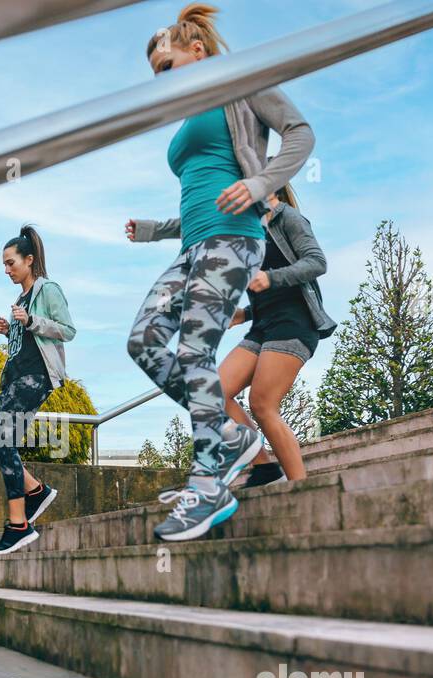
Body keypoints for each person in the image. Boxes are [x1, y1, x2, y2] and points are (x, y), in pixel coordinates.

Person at [126, 2, 314, 542]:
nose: (160, 81)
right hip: (193, 246)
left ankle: (209, 483)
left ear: (198, 52)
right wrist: (157, 230)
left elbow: (300, 132)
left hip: (235, 241)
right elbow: (199, 197)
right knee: (144, 341)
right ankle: (230, 436)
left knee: (192, 351)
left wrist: (260, 186)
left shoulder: (241, 86)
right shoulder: (191, 119)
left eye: (165, 67)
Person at [220, 182, 335, 487]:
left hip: (295, 324)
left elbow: (316, 262)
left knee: (262, 403)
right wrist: (244, 313)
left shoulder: (289, 219)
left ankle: (299, 485)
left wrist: (270, 277)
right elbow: (265, 292)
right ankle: (264, 467)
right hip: (263, 327)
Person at [0, 224, 76, 556]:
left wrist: (31, 321)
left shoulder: (48, 291)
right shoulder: (19, 299)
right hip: (15, 377)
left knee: (0, 437)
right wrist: (9, 331)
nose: (7, 270)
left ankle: (19, 525)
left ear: (29, 260)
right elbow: (25, 344)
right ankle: (36, 491)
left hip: (37, 377)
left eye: (11, 263)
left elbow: (68, 330)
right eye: (4, 265)